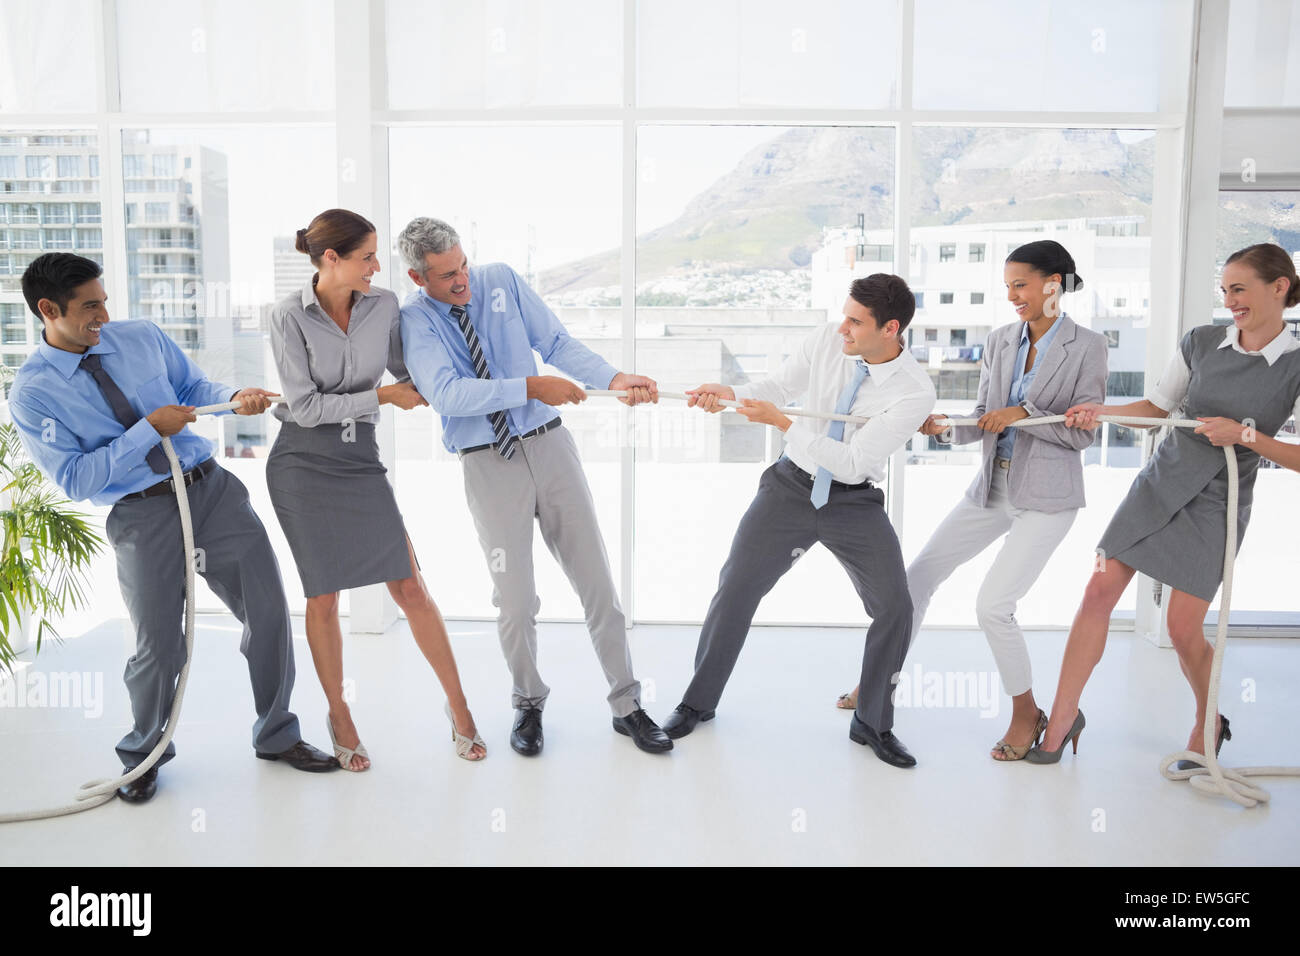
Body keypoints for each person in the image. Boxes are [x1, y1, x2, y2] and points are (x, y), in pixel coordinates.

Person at [9, 252, 339, 804]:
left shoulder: (140, 336)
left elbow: (192, 388)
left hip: (209, 489)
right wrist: (145, 431)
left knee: (268, 611)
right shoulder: (33, 393)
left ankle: (278, 735)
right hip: (141, 513)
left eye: (105, 300)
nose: (104, 315)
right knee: (159, 645)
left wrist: (234, 400)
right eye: (90, 306)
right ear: (48, 309)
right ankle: (143, 756)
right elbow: (76, 478)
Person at [396, 216, 671, 756]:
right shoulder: (415, 322)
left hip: (550, 446)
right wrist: (530, 386)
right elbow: (449, 395)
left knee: (599, 587)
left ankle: (628, 704)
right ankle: (527, 702)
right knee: (515, 600)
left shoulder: (502, 281)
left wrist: (613, 379)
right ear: (417, 276)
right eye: (447, 275)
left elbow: (556, 342)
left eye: (463, 266)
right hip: (487, 464)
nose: (462, 281)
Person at [835, 241, 1108, 761]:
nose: (1011, 296)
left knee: (993, 607)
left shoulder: (1088, 346)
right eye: (1006, 286)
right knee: (916, 580)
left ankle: (1027, 713)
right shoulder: (1002, 340)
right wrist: (944, 430)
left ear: (1053, 284)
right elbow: (985, 416)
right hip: (990, 489)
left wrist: (1021, 413)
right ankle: (876, 687)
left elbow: (1080, 435)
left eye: (1020, 284)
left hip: (1047, 499)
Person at [1029, 242, 1300, 765]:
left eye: (1239, 289)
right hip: (1161, 481)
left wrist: (1246, 436)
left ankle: (1208, 718)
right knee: (1098, 591)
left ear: (1279, 287)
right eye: (1225, 291)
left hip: (1219, 500)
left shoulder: (1295, 364)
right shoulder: (1201, 342)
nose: (1230, 301)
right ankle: (1062, 718)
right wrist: (1100, 412)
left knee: (1181, 628)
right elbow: (1155, 409)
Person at [662, 274, 936, 768]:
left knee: (895, 606)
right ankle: (696, 704)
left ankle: (872, 722)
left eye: (855, 321)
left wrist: (784, 424)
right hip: (789, 488)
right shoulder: (827, 340)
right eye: (844, 314)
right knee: (736, 588)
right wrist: (728, 392)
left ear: (891, 328)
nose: (842, 329)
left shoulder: (915, 392)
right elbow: (776, 386)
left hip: (853, 501)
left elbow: (852, 462)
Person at [267, 208, 485, 768]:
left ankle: (459, 708)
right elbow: (307, 407)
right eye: (366, 257)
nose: (376, 266)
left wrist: (454, 384)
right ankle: (339, 713)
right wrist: (385, 399)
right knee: (323, 596)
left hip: (358, 457)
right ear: (331, 259)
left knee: (410, 587)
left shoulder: (384, 305)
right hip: (301, 463)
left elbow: (402, 368)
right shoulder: (287, 315)